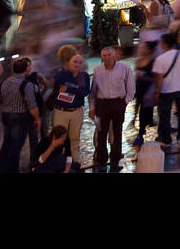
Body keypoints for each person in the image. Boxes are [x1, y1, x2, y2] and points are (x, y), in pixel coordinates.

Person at [0, 57, 41, 174]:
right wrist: (37, 118)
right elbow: (32, 105)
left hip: (6, 115)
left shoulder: (4, 82)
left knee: (6, 142)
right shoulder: (26, 85)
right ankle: (13, 169)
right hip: (20, 117)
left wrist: (0, 102)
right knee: (16, 145)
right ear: (24, 70)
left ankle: (2, 168)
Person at [89, 45, 135, 173]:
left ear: (114, 55)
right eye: (104, 55)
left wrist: (124, 103)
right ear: (101, 57)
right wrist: (92, 107)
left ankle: (115, 161)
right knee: (101, 133)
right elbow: (93, 92)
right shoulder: (98, 70)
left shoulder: (124, 68)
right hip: (102, 104)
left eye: (109, 55)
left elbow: (131, 87)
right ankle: (102, 161)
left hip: (117, 103)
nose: (107, 58)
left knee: (117, 133)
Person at [153, 32, 180, 152]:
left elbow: (159, 78)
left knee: (165, 115)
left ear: (164, 44)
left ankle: (166, 141)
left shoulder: (160, 59)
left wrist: (157, 91)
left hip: (166, 90)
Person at [51, 47, 90, 168]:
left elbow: (85, 92)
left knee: (75, 138)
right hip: (61, 111)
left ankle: (75, 161)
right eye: (74, 61)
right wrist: (77, 89)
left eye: (80, 62)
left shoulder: (84, 76)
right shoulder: (61, 74)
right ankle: (57, 161)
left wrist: (69, 88)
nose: (77, 64)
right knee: (59, 136)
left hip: (76, 111)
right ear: (68, 62)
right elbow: (59, 86)